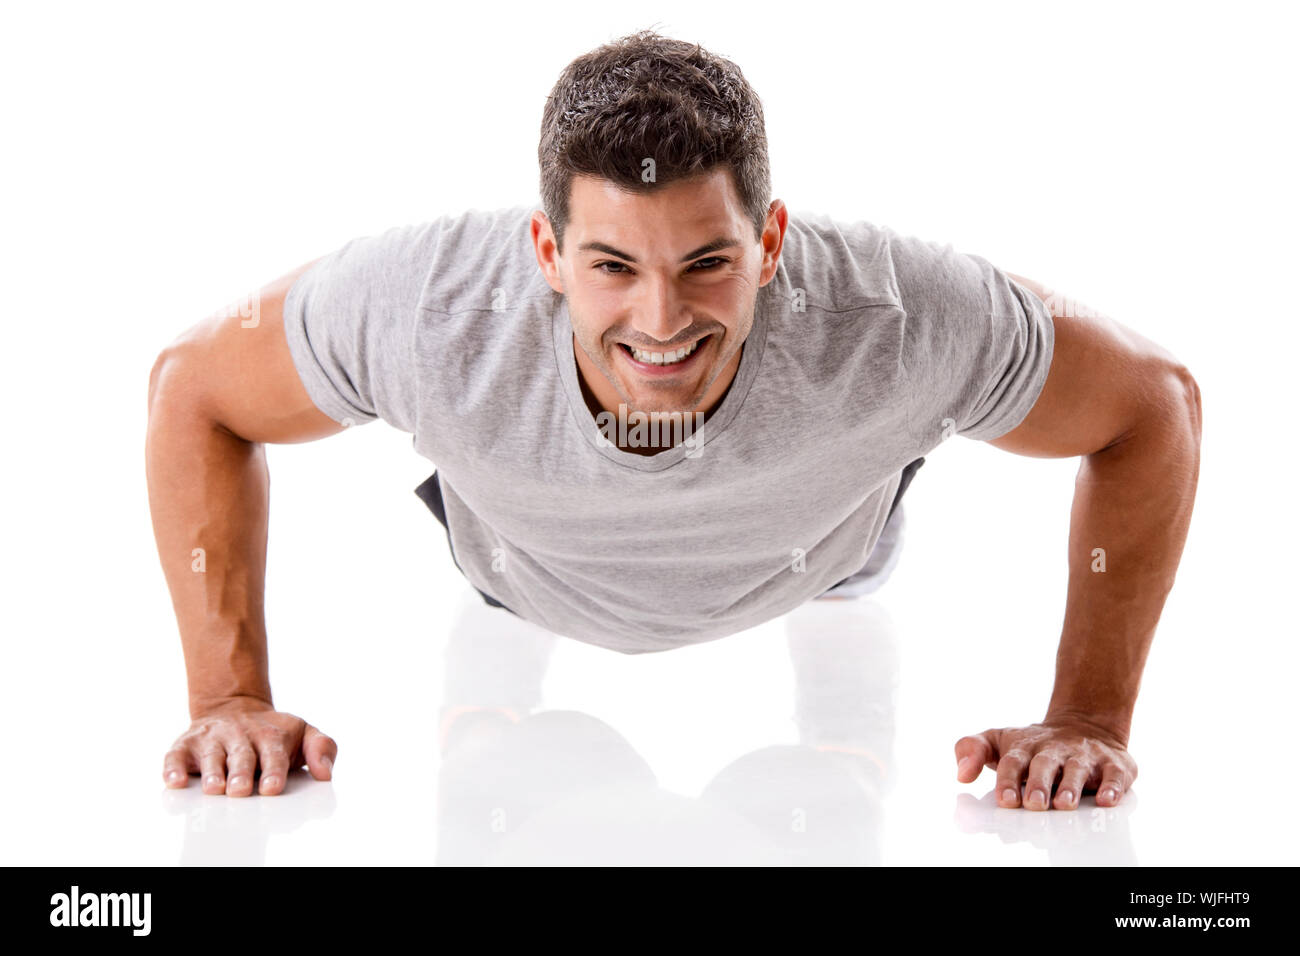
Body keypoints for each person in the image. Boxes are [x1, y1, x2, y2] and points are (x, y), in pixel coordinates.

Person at [147, 30, 1201, 811]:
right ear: (547, 252)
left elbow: (1152, 406)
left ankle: (843, 725)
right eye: (611, 266)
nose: (661, 322)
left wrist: (1086, 718)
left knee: (816, 786)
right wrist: (228, 695)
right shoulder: (421, 305)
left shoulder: (899, 312)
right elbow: (194, 387)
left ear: (773, 239)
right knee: (507, 763)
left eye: (708, 261)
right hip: (519, 566)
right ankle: (485, 702)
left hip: (816, 553)